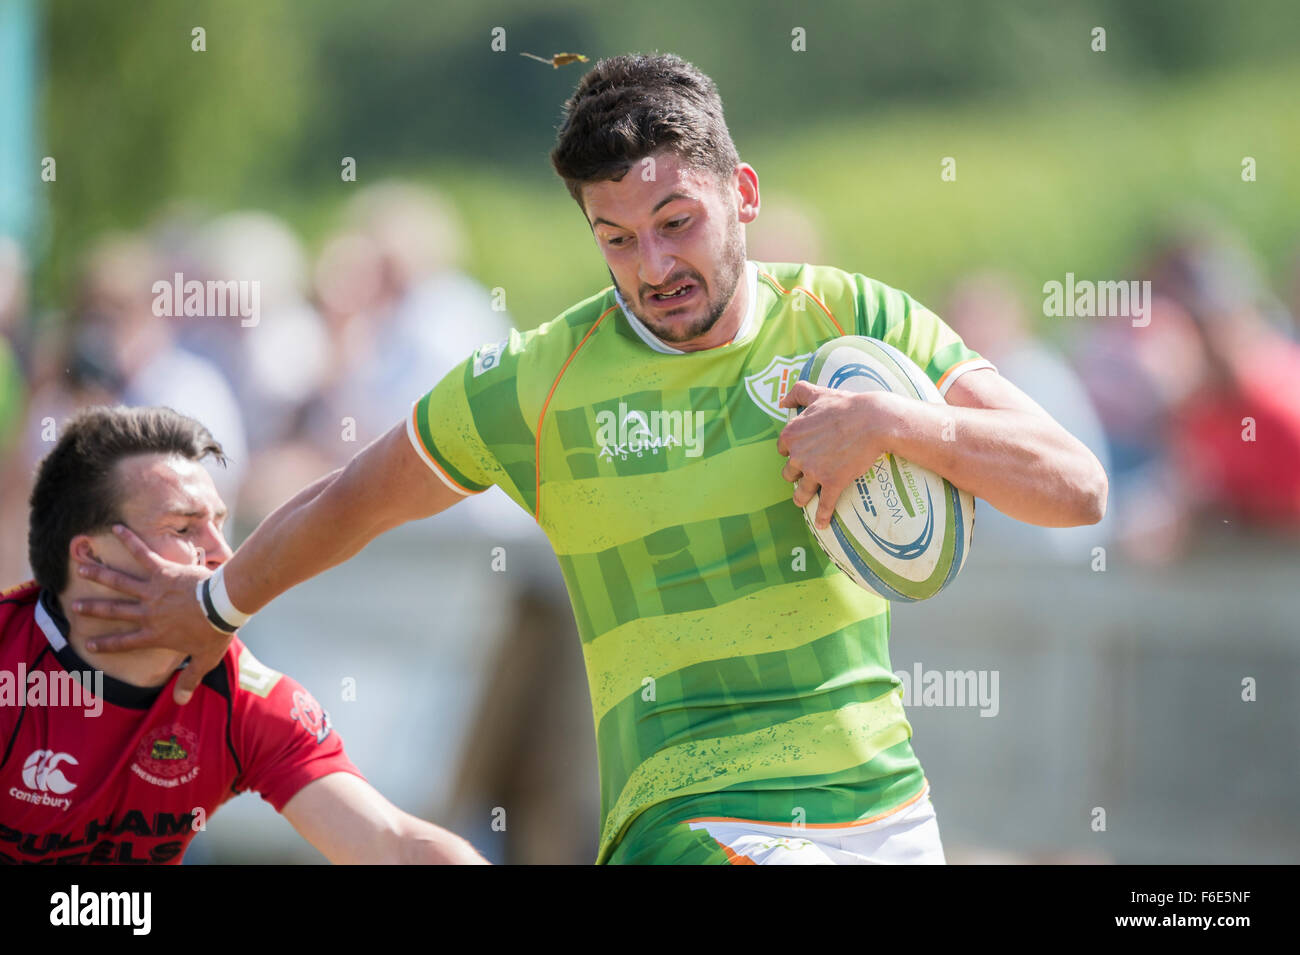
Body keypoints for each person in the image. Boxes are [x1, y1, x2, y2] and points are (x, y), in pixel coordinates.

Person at [70, 54, 1107, 865]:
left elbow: (1075, 485)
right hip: (686, 820)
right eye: (615, 239)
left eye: (675, 223)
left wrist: (896, 425)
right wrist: (212, 604)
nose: (652, 266)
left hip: (886, 816)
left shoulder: (852, 318)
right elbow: (353, 499)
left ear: (741, 192)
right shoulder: (539, 381)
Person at [0, 405, 487, 864]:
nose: (223, 556)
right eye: (184, 529)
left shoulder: (240, 695)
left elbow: (394, 845)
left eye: (219, 524)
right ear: (89, 557)